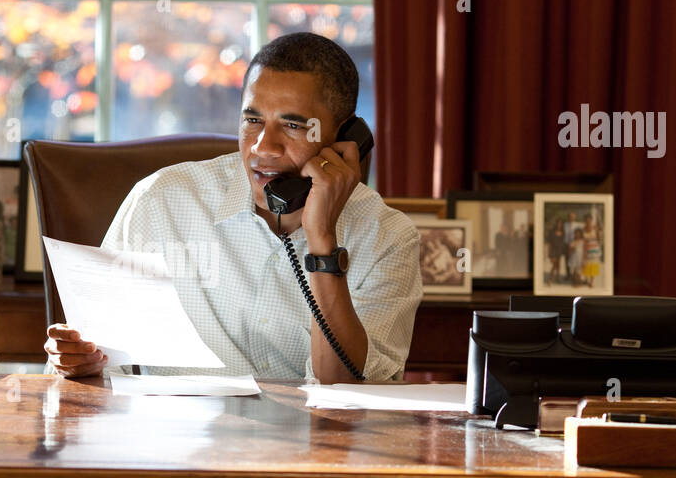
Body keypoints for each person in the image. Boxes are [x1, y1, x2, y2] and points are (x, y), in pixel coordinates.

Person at [44, 32, 422, 383]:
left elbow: (345, 398)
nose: (263, 147)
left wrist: (322, 238)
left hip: (309, 452)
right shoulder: (160, 201)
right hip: (173, 447)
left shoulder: (389, 239)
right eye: (252, 120)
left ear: (343, 140)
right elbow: (86, 369)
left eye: (292, 126)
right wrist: (82, 361)